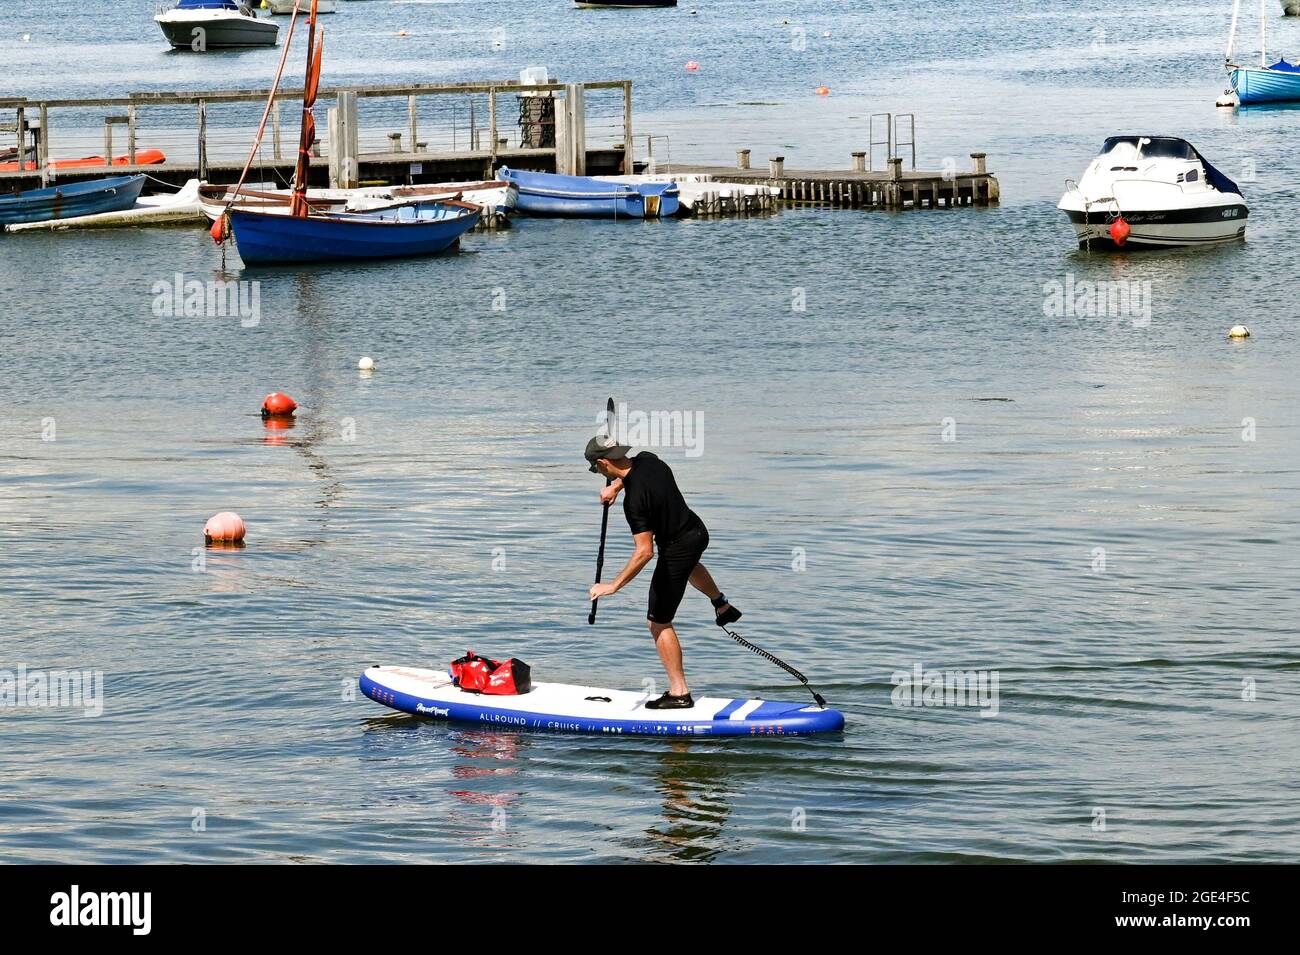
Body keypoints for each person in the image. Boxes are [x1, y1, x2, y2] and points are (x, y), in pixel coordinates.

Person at [584, 435, 742, 709]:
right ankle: (721, 604)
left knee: (658, 622)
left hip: (676, 548)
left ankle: (679, 693)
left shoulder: (634, 504)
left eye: (597, 469)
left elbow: (645, 552)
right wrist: (617, 487)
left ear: (602, 462)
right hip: (697, 532)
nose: (599, 474)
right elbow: (633, 474)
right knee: (690, 565)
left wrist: (612, 585)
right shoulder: (649, 460)